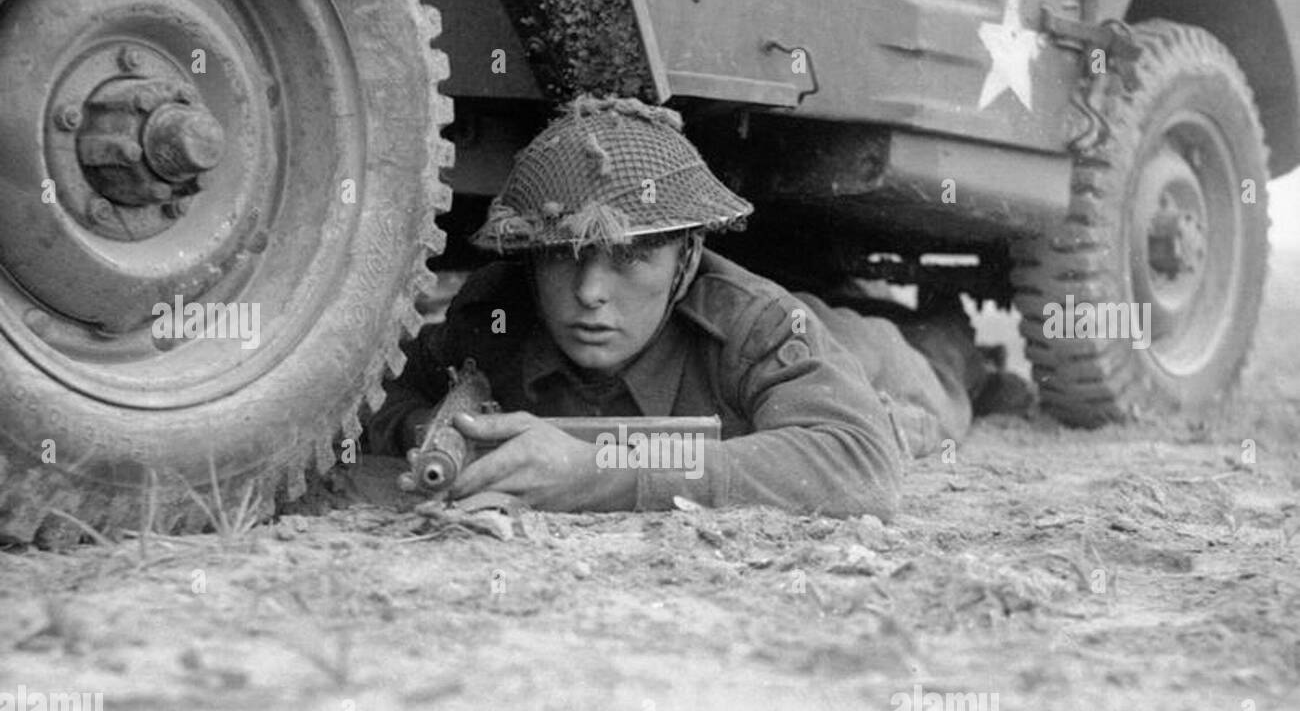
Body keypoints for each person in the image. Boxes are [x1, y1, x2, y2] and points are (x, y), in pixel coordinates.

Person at [367, 95, 1024, 517]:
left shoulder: (755, 325)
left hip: (856, 351)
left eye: (630, 258)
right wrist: (426, 427)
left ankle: (963, 346)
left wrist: (597, 473)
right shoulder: (495, 317)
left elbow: (861, 466)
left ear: (686, 260)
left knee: (931, 393)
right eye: (563, 256)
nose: (591, 292)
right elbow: (372, 395)